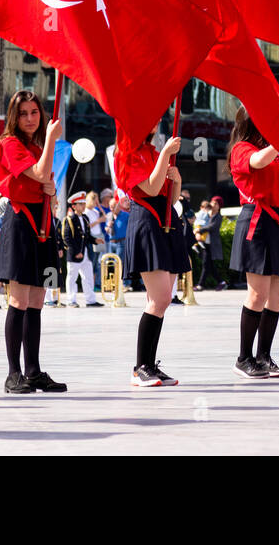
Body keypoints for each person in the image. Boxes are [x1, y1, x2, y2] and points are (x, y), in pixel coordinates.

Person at [0, 90, 66, 394]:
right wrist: (51, 139)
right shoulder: (9, 144)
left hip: (44, 224)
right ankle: (14, 373)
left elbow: (48, 184)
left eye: (34, 112)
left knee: (37, 301)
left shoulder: (36, 147)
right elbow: (36, 173)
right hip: (21, 223)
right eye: (23, 113)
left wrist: (51, 194)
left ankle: (34, 371)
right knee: (19, 300)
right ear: (14, 116)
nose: (30, 119)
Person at [228, 106, 279, 379]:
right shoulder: (242, 149)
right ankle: (244, 357)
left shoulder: (275, 152)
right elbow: (256, 162)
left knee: (278, 294)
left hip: (278, 222)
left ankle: (264, 356)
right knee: (257, 293)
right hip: (256, 222)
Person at [116, 125, 186, 387]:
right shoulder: (128, 153)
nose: (154, 124)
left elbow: (169, 195)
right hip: (147, 222)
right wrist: (166, 154)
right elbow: (153, 188)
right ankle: (139, 368)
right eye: (150, 120)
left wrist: (176, 180)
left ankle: (149, 365)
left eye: (156, 120)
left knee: (161, 301)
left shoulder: (152, 151)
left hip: (166, 224)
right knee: (160, 298)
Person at [61, 192, 98, 306]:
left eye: (83, 203)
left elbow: (86, 236)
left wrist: (95, 240)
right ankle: (71, 300)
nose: (83, 206)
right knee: (72, 278)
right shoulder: (70, 219)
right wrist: (76, 252)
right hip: (75, 254)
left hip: (85, 252)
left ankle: (90, 300)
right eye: (80, 204)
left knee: (88, 277)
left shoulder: (85, 218)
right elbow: (67, 238)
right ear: (74, 206)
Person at [197, 196, 226, 290]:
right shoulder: (206, 214)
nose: (213, 204)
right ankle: (221, 282)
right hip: (204, 243)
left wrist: (199, 230)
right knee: (209, 265)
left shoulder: (218, 217)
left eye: (216, 203)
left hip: (211, 245)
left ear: (219, 206)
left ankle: (200, 285)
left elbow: (212, 227)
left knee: (206, 264)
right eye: (212, 202)